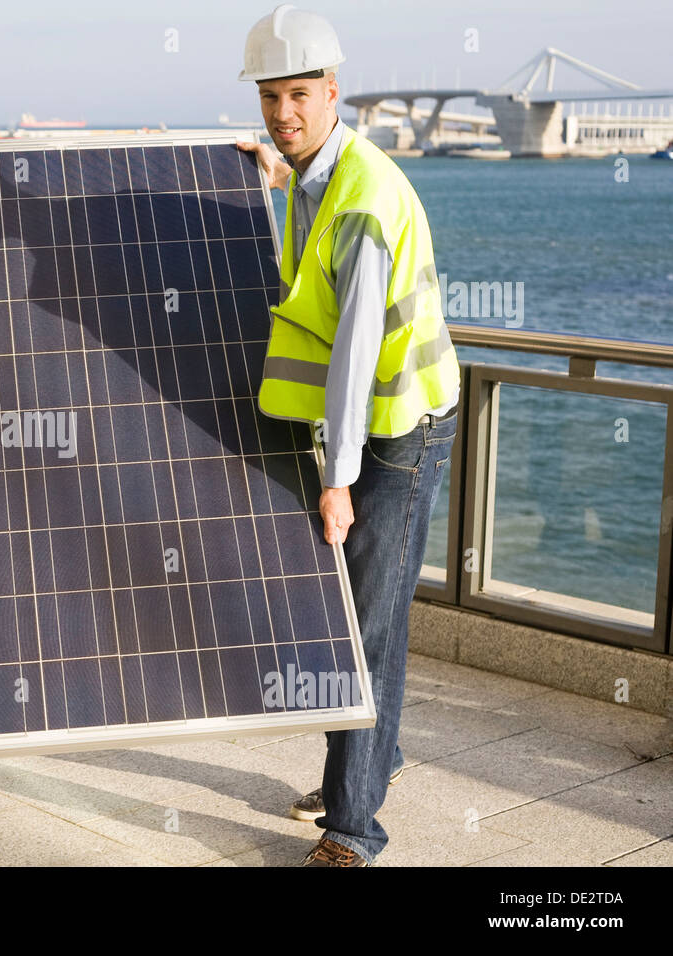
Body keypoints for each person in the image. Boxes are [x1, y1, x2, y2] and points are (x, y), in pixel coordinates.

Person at [237, 5, 460, 866]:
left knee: (362, 626)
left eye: (298, 95)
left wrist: (336, 481)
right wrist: (271, 177)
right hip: (374, 425)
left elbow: (355, 355)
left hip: (402, 431)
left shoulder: (363, 200)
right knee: (373, 614)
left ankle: (354, 829)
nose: (283, 113)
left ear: (333, 92)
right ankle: (366, 767)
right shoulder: (311, 178)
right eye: (270, 98)